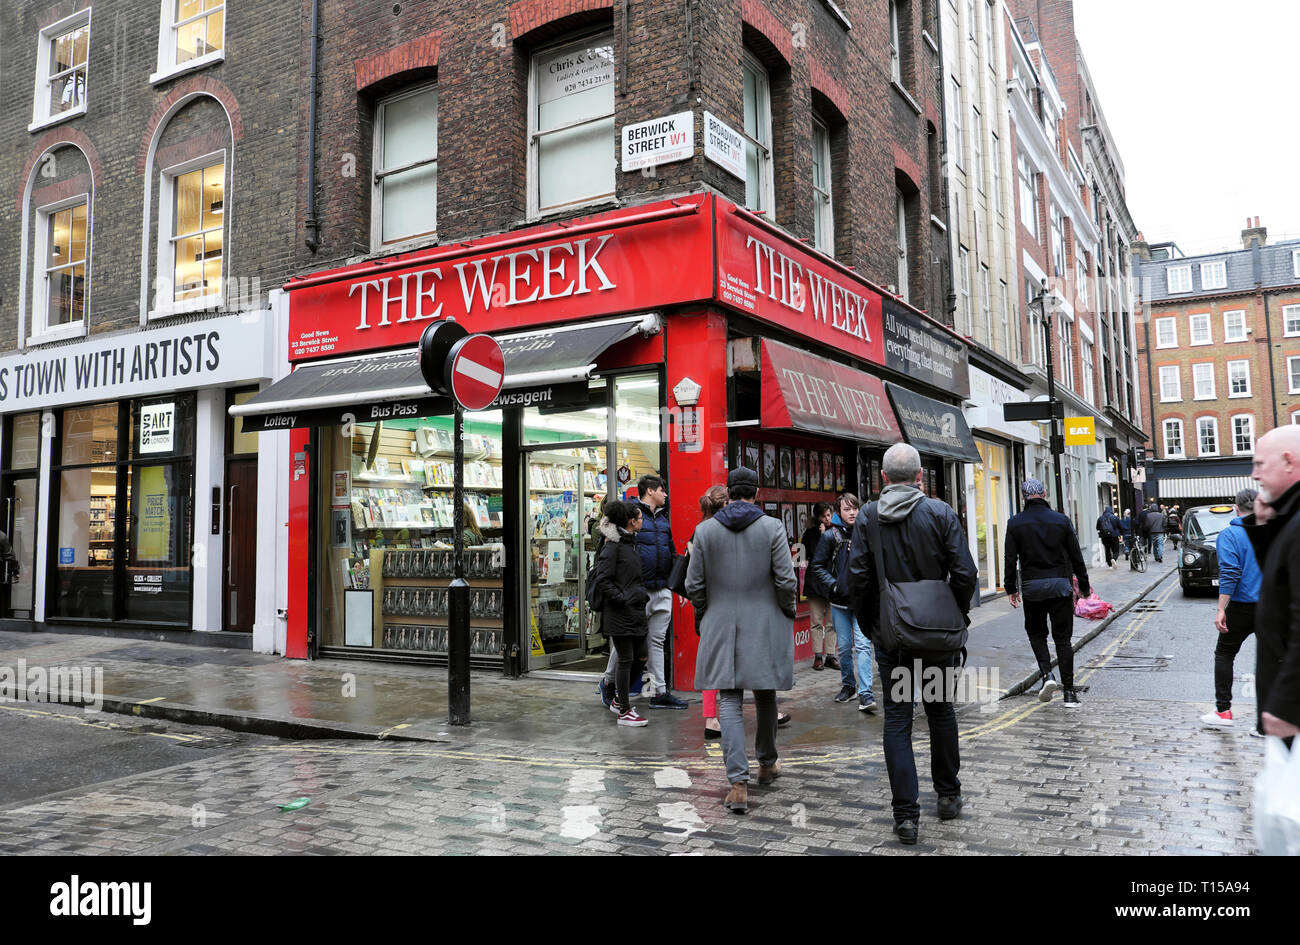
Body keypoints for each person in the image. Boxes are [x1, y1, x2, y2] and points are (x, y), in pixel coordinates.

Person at [847, 443, 977, 845]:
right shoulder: (940, 512)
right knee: (940, 711)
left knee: (899, 720)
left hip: (894, 638)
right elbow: (965, 572)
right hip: (937, 637)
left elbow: (858, 579)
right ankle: (949, 796)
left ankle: (906, 817)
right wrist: (952, 613)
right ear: (920, 476)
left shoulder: (868, 516)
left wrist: (873, 626)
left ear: (883, 478)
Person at [686, 467, 797, 813]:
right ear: (757, 491)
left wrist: (705, 614)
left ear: (729, 491)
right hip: (764, 621)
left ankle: (737, 783)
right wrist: (786, 611)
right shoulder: (772, 528)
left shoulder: (704, 531)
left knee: (728, 700)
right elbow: (786, 580)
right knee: (765, 694)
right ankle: (766, 763)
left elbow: (693, 585)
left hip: (720, 621)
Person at [600, 475, 688, 710]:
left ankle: (659, 692)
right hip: (638, 592)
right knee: (626, 642)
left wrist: (675, 583)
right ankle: (609, 682)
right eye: (662, 490)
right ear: (650, 491)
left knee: (657, 641)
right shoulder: (630, 516)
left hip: (662, 588)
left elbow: (670, 550)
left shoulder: (663, 519)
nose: (666, 495)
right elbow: (609, 536)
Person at [1004, 478, 1091, 707]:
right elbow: (1075, 555)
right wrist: (1083, 584)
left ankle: (1047, 675)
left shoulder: (1015, 523)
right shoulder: (1061, 520)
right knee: (1063, 640)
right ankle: (1070, 693)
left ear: (1024, 497)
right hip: (1060, 587)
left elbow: (1010, 559)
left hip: (1033, 587)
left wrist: (1010, 588)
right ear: (1044, 493)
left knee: (1036, 634)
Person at [1242, 426, 1300, 741]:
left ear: (1289, 462)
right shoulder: (1289, 515)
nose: (1254, 474)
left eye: (1261, 464)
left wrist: (1289, 705)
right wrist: (1264, 526)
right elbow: (1280, 583)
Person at [1202, 489, 1262, 729]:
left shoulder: (1230, 534)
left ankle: (1224, 711)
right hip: (1271, 607)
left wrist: (1220, 609)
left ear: (1236, 509)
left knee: (1225, 654)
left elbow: (1230, 572)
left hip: (1240, 607)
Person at [813, 493, 875, 712]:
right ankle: (849, 686)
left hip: (862, 601)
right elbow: (817, 566)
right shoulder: (830, 536)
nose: (852, 513)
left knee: (863, 646)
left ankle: (866, 693)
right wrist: (834, 585)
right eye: (847, 509)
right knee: (845, 648)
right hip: (839, 602)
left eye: (855, 508)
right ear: (839, 512)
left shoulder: (867, 532)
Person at [593, 501, 651, 727]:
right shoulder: (612, 546)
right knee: (626, 659)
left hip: (634, 610)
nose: (642, 521)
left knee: (642, 655)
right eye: (639, 518)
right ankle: (624, 710)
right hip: (621, 612)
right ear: (631, 521)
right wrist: (622, 599)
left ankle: (619, 700)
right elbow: (603, 580)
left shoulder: (629, 543)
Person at [800, 502, 839, 672]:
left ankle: (830, 655)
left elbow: (838, 555)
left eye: (829, 515)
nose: (827, 518)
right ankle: (818, 656)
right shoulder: (810, 534)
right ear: (818, 518)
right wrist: (823, 537)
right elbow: (807, 556)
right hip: (815, 583)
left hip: (832, 582)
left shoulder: (837, 531)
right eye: (824, 516)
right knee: (816, 621)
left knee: (831, 621)